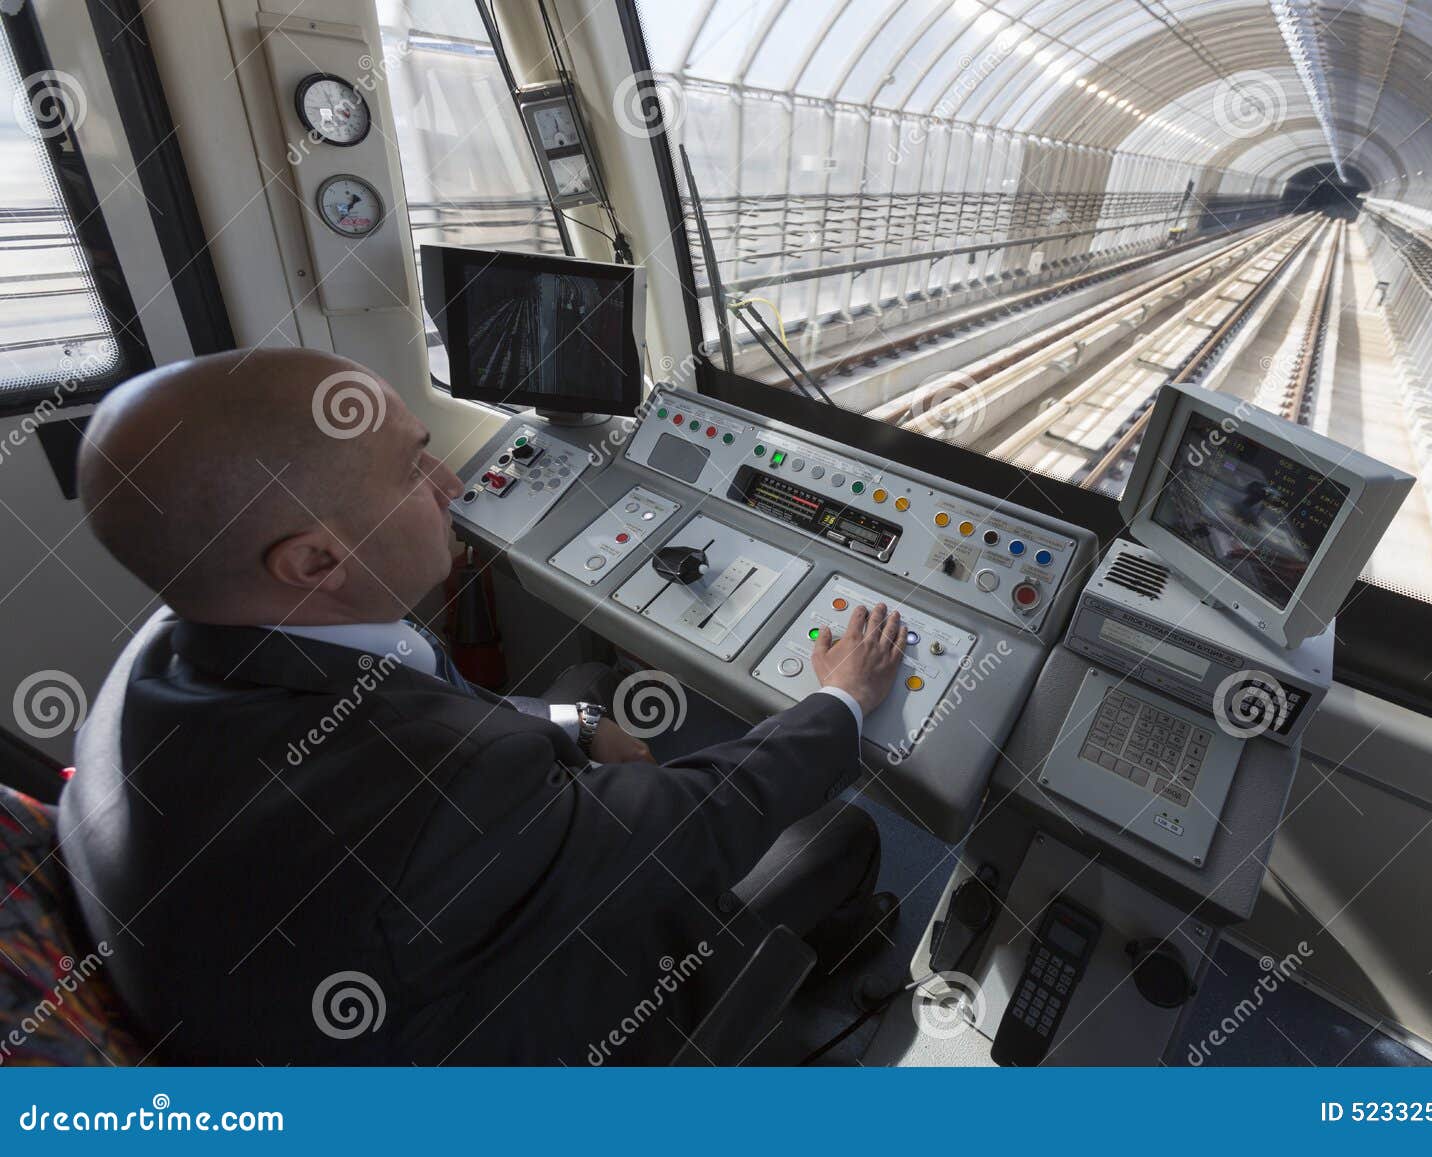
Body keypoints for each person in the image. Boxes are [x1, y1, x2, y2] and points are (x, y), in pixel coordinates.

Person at [59, 349, 906, 1064]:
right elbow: (702, 818)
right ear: (315, 560)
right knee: (838, 835)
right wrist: (840, 698)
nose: (451, 481)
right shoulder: (447, 784)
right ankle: (804, 989)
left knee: (585, 691)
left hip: (321, 967)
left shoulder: (164, 650)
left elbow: (428, 723)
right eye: (412, 468)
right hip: (500, 1044)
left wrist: (569, 727)